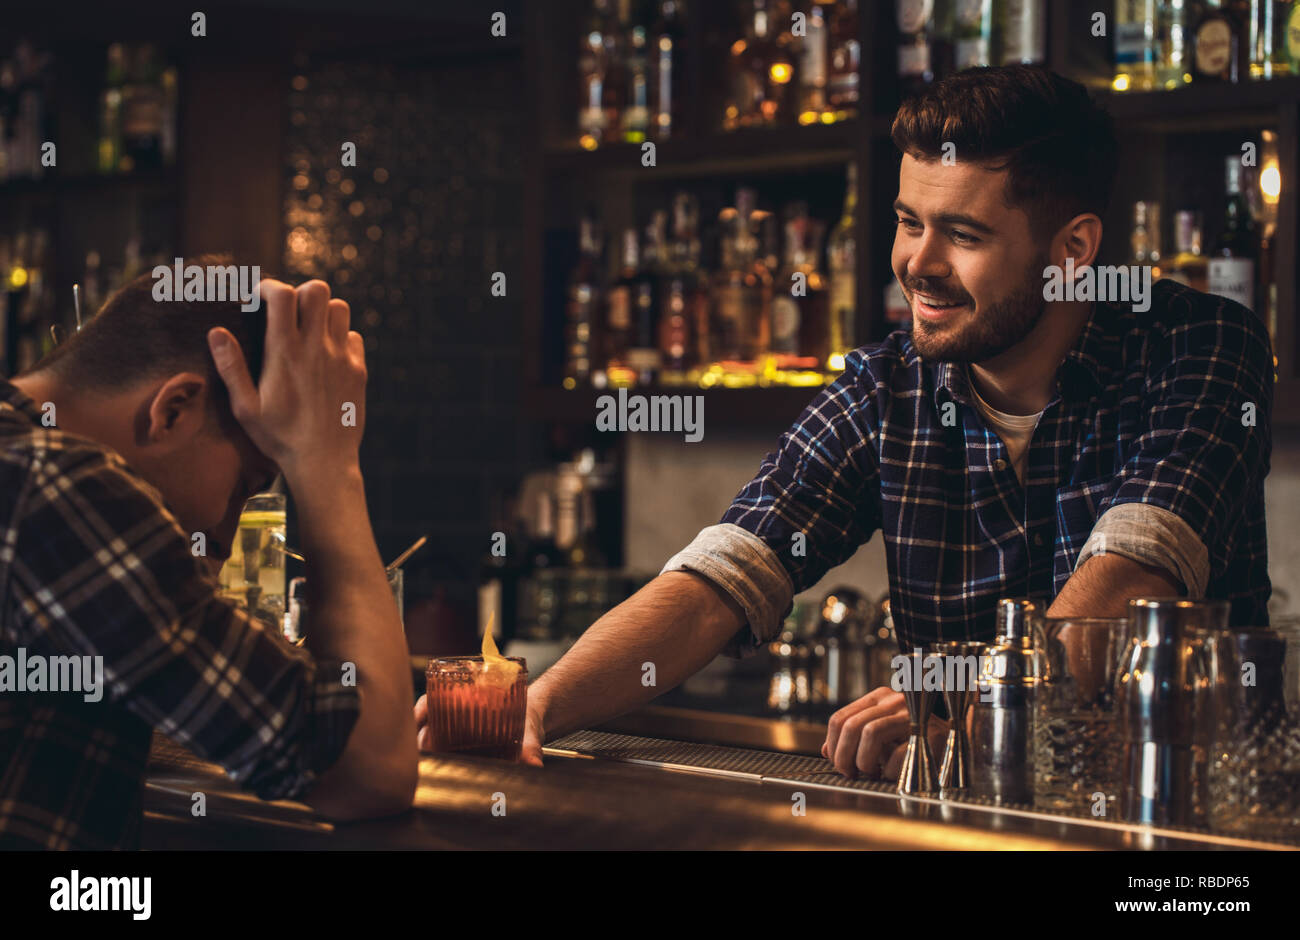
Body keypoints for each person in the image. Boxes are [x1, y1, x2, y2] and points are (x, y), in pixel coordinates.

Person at [415, 64, 1272, 780]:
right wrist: (538, 705)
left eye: (962, 234)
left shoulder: (1199, 349)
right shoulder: (885, 388)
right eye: (908, 222)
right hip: (966, 828)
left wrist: (968, 705)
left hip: (1182, 829)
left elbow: (1128, 582)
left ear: (1073, 250)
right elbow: (721, 578)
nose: (917, 264)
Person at [1, 258, 416, 848]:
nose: (223, 545)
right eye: (248, 486)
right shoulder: (57, 485)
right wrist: (327, 463)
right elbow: (366, 771)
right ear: (173, 411)